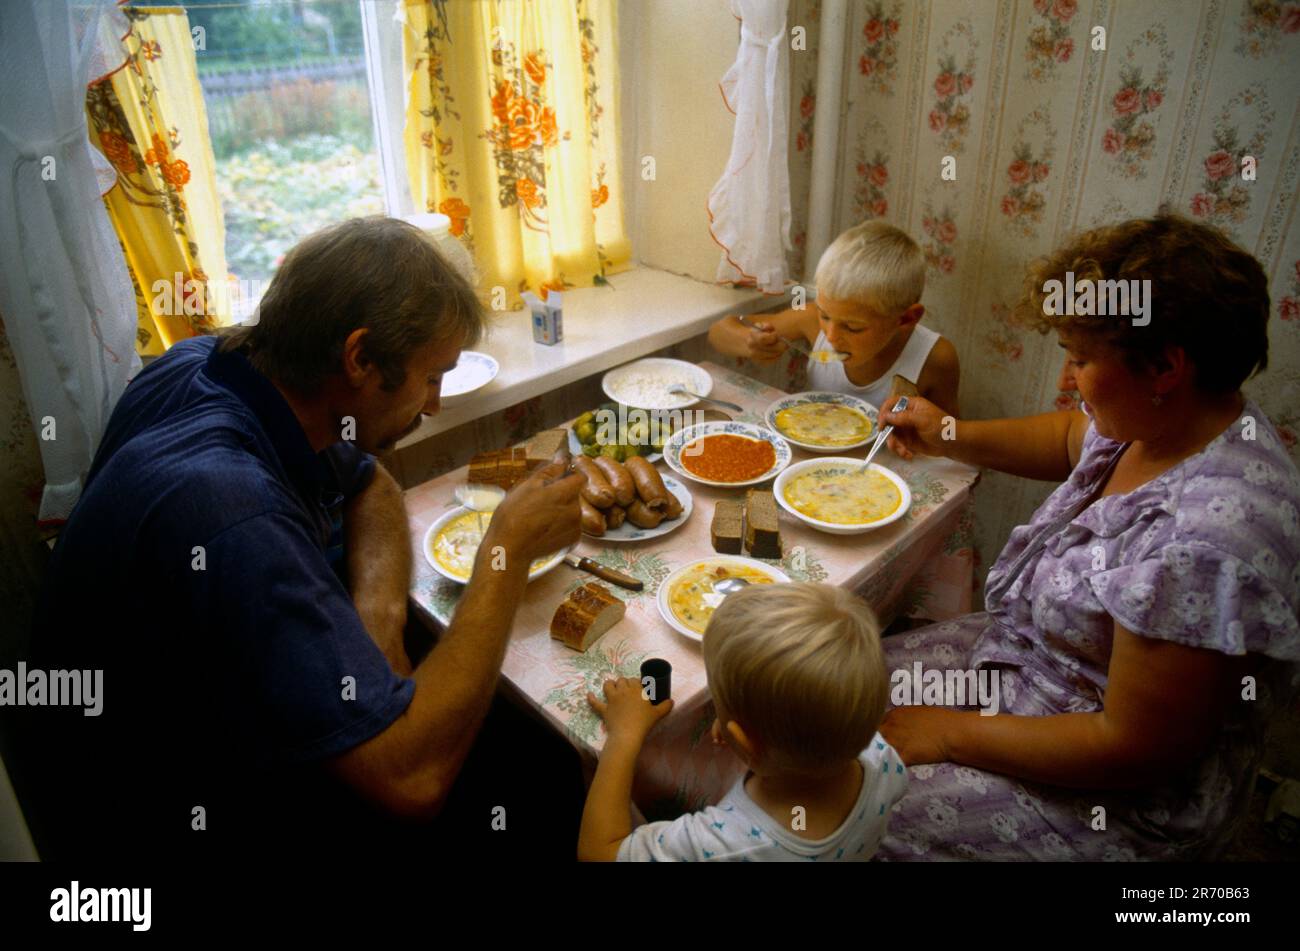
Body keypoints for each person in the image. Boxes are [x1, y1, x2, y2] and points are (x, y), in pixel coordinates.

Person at [13, 216, 586, 858]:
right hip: (139, 812)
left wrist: (379, 623)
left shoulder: (214, 364)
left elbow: (371, 484)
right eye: (431, 376)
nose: (434, 404)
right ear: (361, 357)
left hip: (201, 710)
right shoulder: (230, 512)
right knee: (542, 770)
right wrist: (503, 557)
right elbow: (411, 781)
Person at [872, 213, 1300, 860]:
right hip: (1029, 665)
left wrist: (948, 733)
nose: (1066, 380)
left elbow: (1129, 746)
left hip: (1115, 796)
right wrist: (949, 431)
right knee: (836, 692)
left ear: (1165, 366)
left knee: (850, 799)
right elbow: (1070, 437)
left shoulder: (1207, 544)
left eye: (1079, 360)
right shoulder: (1165, 414)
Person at [578, 583, 908, 861]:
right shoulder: (882, 758)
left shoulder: (725, 845)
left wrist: (624, 735)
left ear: (745, 742)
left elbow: (599, 852)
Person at [708, 220, 960, 413]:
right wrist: (750, 342)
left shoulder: (935, 358)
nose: (830, 336)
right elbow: (718, 331)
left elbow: (950, 440)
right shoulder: (808, 321)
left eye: (852, 328)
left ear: (906, 319)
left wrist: (923, 440)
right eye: (825, 316)